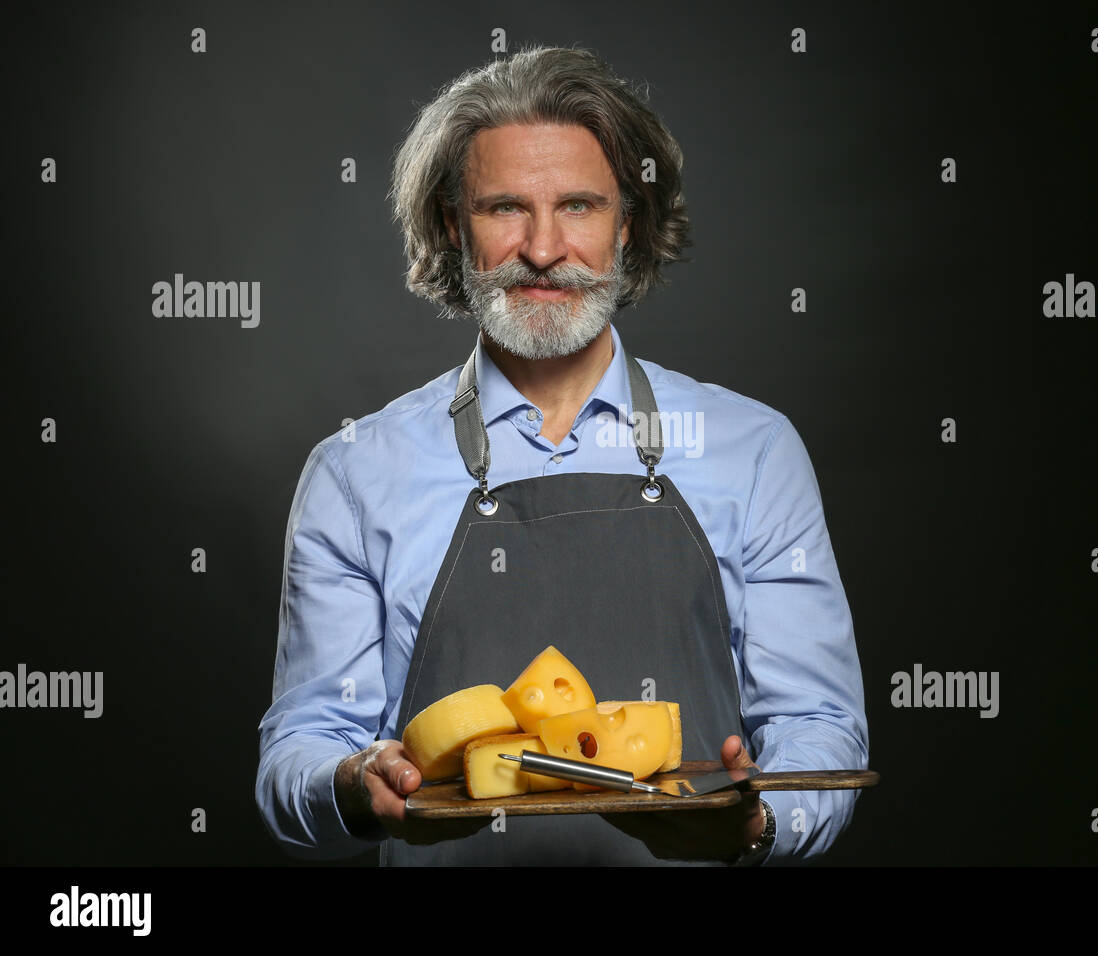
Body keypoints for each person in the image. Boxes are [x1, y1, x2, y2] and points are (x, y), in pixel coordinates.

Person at [256, 44, 869, 866]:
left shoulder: (754, 451)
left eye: (579, 206)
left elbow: (817, 725)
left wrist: (757, 821)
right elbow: (300, 749)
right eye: (505, 207)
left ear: (629, 223)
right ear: (451, 224)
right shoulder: (355, 474)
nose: (543, 250)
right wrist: (349, 779)